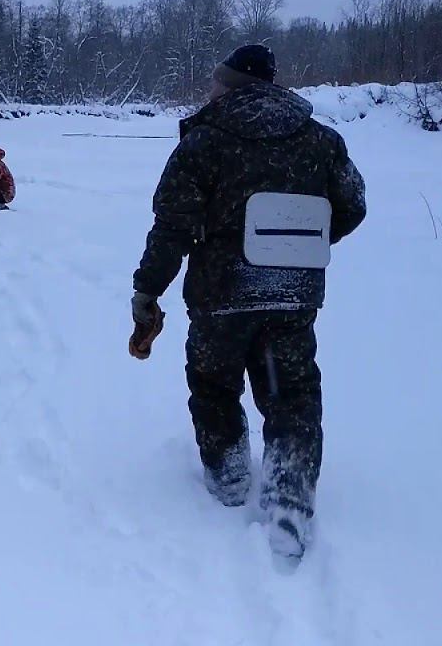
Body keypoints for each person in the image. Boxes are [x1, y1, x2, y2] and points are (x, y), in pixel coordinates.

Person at [129, 44, 366, 561]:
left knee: (215, 386)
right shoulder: (321, 141)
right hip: (293, 295)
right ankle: (289, 501)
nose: (210, 90)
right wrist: (300, 248)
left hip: (220, 295)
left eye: (218, 81)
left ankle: (230, 479)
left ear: (232, 85)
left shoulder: (203, 144)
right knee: (294, 395)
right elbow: (352, 206)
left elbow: (171, 228)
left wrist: (148, 291)